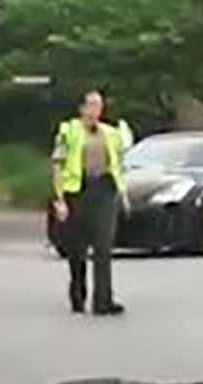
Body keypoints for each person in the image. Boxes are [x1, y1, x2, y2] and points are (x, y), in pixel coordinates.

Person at [50, 90, 133, 316]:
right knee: (77, 249)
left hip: (104, 190)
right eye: (92, 105)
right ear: (82, 109)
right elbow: (57, 165)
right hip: (78, 191)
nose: (97, 110)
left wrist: (122, 194)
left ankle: (103, 300)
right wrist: (59, 200)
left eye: (100, 106)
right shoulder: (69, 131)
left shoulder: (110, 133)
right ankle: (78, 293)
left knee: (103, 247)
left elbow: (119, 163)